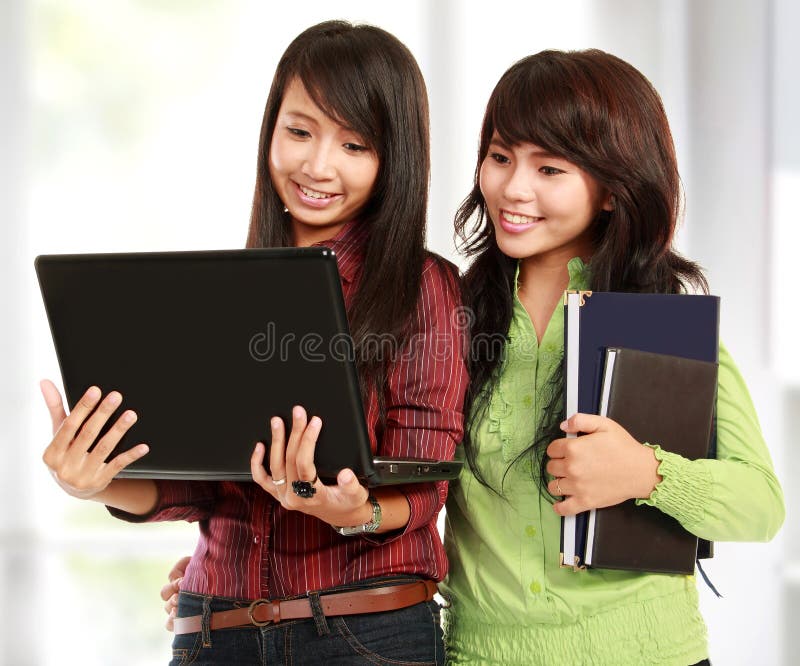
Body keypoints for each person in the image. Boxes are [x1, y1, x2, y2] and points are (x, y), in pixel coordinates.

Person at [40, 20, 468, 665]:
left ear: (393, 159)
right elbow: (198, 486)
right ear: (271, 129)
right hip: (215, 631)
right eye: (299, 132)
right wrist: (95, 481)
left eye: (354, 145)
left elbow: (426, 482)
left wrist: (350, 511)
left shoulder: (422, 285)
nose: (316, 166)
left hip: (365, 633)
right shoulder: (226, 285)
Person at [437, 48, 785, 665]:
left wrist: (647, 475)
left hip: (651, 654)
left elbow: (761, 505)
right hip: (480, 654)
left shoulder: (661, 317)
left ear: (610, 189)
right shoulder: (449, 314)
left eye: (550, 169)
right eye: (500, 157)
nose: (513, 188)